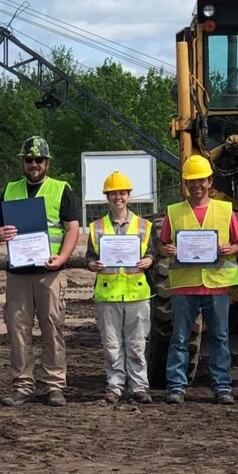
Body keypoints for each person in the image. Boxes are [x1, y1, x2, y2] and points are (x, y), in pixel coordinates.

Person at [0, 137, 81, 406]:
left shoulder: (60, 189)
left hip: (49, 271)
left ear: (47, 162)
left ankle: (54, 385)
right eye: (28, 160)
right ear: (23, 162)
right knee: (18, 329)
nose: (33, 164)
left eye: (38, 160)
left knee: (53, 327)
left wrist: (63, 257)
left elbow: (72, 228)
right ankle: (22, 385)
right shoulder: (10, 190)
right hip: (18, 273)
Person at [158, 155, 238, 405]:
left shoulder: (225, 210)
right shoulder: (174, 213)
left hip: (216, 285)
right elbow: (162, 245)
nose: (197, 185)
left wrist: (232, 249)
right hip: (185, 285)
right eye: (191, 181)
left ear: (210, 181)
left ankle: (222, 386)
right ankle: (176, 386)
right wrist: (167, 250)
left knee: (220, 338)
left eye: (201, 180)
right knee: (180, 338)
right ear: (186, 184)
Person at [84, 171, 154, 403]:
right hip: (108, 293)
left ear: (129, 196)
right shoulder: (96, 227)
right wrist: (92, 264)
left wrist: (149, 261)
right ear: (107, 197)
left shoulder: (144, 226)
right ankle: (115, 386)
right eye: (113, 194)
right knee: (112, 345)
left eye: (122, 193)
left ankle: (138, 387)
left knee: (136, 344)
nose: (118, 198)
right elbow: (89, 257)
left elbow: (152, 253)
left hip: (136, 294)